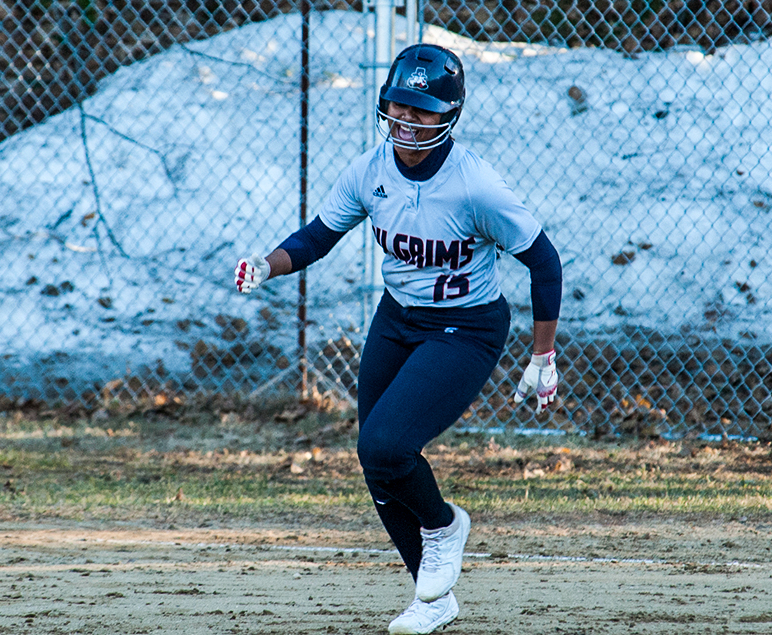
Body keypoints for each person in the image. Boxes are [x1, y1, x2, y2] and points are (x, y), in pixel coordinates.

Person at [234, 43, 562, 635]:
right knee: (377, 461)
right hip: (397, 318)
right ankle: (431, 601)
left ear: (450, 114)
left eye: (423, 109)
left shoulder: (475, 186)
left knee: (386, 445)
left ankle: (443, 526)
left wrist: (544, 354)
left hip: (465, 327)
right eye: (399, 107)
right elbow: (317, 237)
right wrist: (268, 263)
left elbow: (545, 261)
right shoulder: (369, 169)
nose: (408, 120)